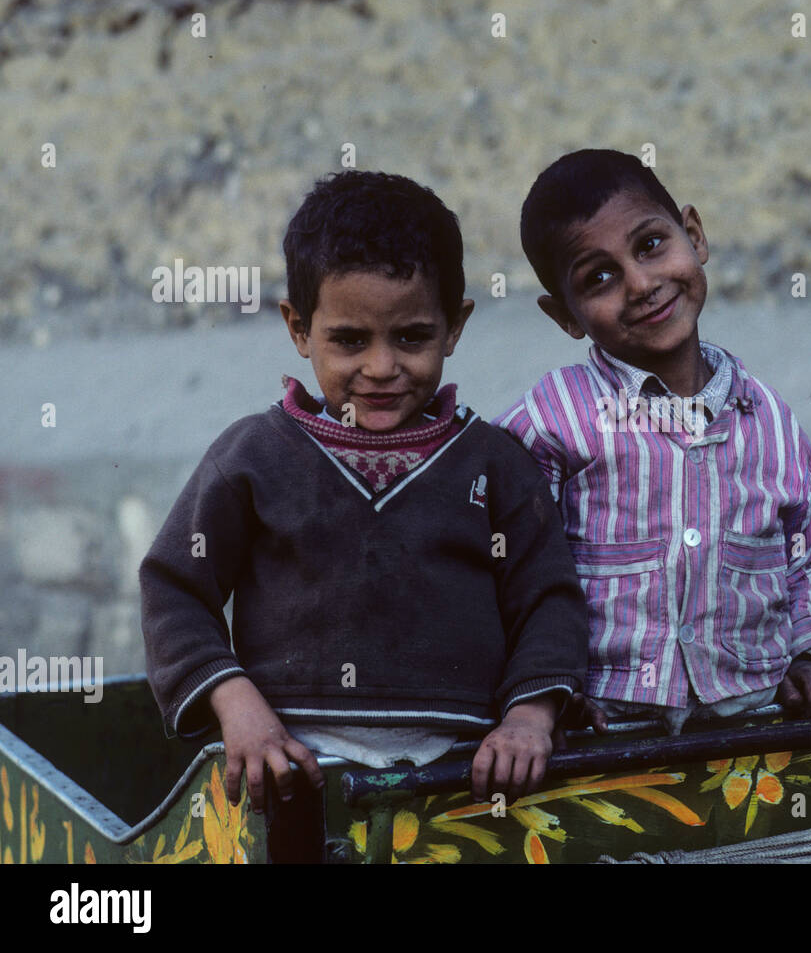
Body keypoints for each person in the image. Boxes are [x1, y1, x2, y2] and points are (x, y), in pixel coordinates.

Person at [140, 170, 586, 812]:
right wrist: (237, 707)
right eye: (349, 340)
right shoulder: (254, 456)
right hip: (290, 771)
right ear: (298, 328)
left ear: (454, 327)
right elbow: (174, 587)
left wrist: (529, 718)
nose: (381, 368)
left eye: (412, 336)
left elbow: (549, 599)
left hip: (467, 780)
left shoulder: (494, 464)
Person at [497, 149, 811, 736]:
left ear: (694, 234)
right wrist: (543, 694)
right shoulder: (549, 422)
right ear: (564, 315)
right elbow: (515, 576)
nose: (641, 284)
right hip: (601, 733)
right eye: (600, 277)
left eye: (651, 246)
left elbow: (803, 558)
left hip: (756, 718)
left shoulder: (772, 422)